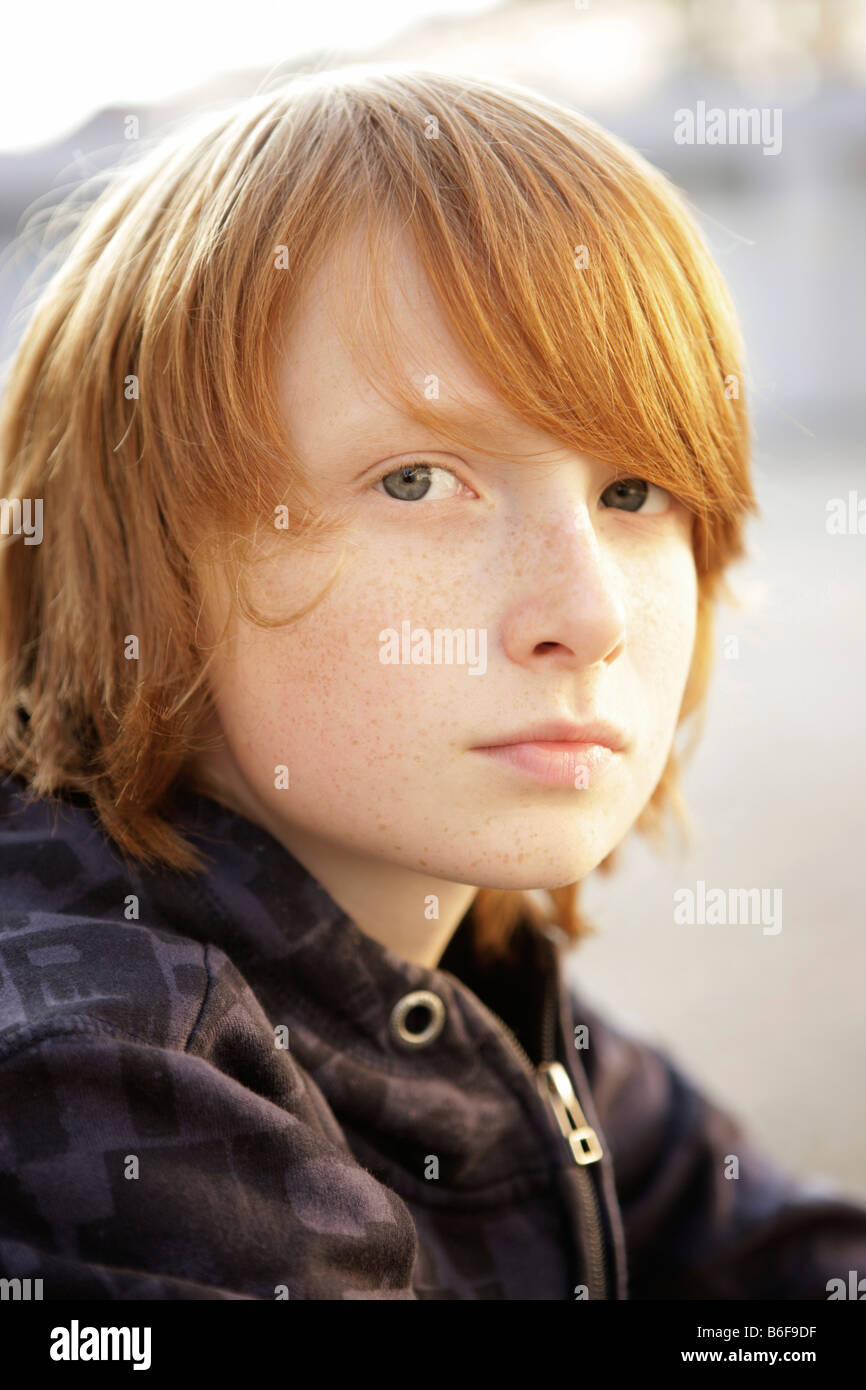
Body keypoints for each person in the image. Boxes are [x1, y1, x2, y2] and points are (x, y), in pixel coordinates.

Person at [0, 65, 863, 1300]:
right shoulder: (90, 1080)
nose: (587, 614)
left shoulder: (457, 971)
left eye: (632, 493)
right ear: (140, 561)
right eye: (416, 481)